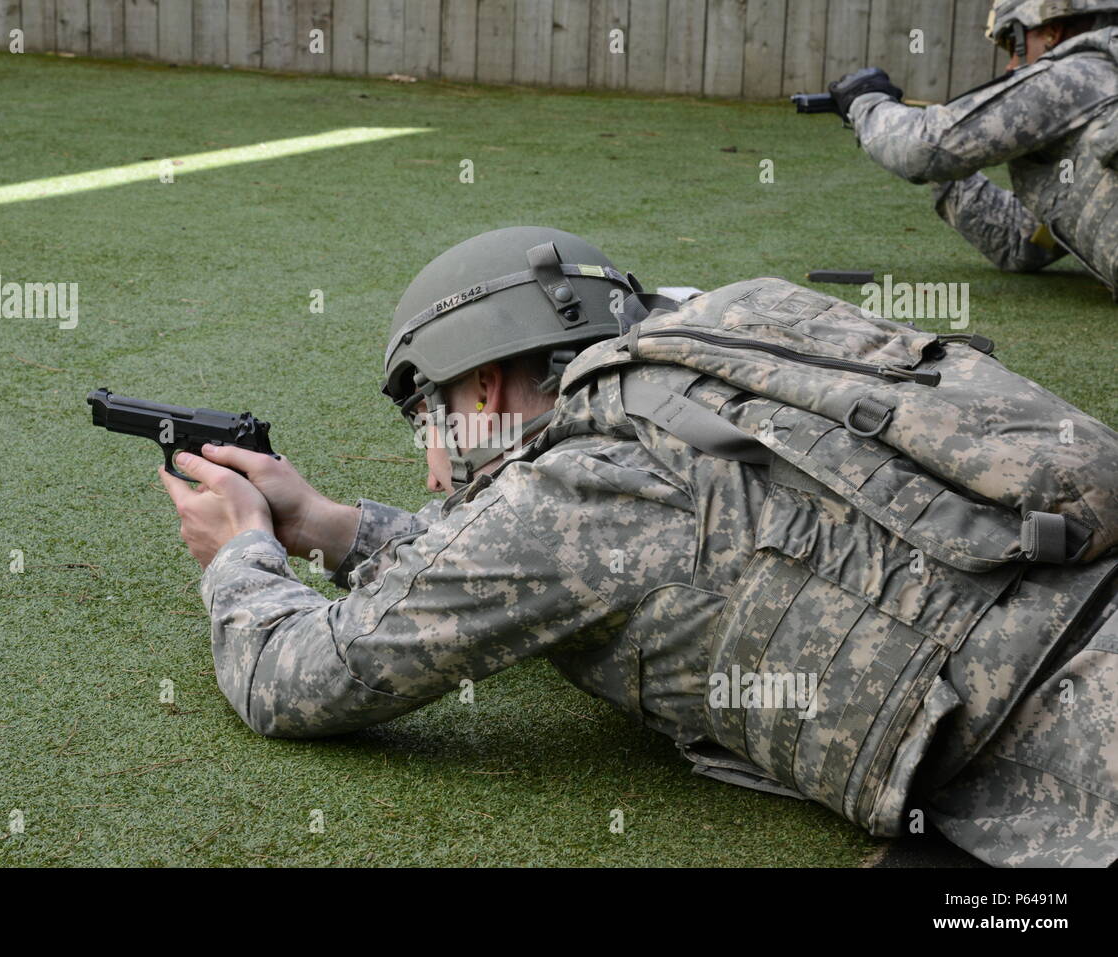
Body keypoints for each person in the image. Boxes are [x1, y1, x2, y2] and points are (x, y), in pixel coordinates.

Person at [158, 226, 1118, 867]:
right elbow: (564, 558)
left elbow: (293, 680)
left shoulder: (575, 485)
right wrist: (334, 527)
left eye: (430, 415)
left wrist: (241, 550)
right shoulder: (719, 343)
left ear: (483, 389)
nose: (435, 459)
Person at [827, 0, 1118, 298]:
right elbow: (1023, 241)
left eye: (1010, 43)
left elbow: (921, 149)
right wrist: (954, 169)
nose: (1010, 65)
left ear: (1051, 32)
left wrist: (865, 101)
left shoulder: (1080, 75)